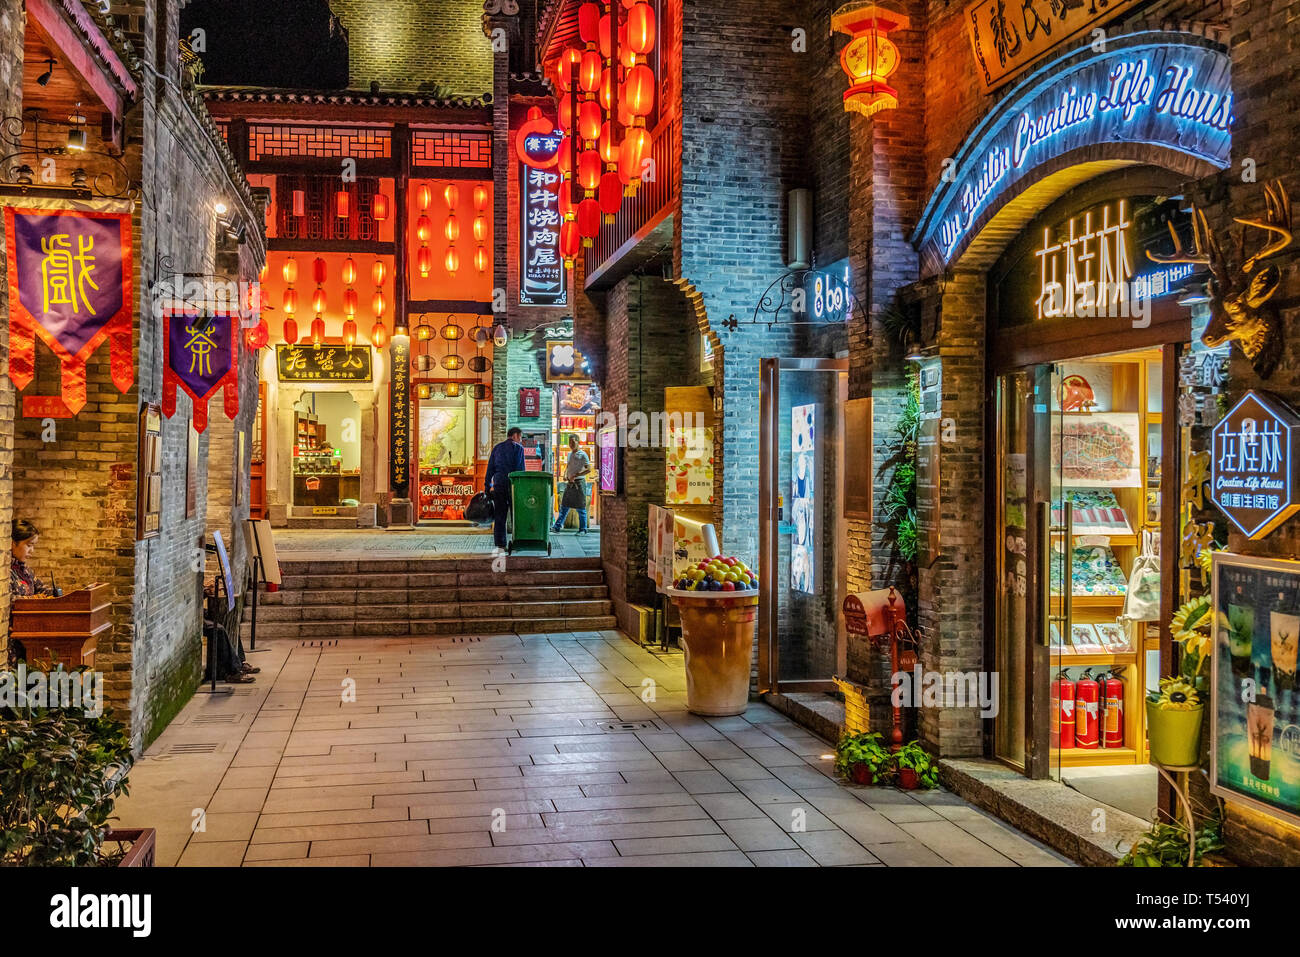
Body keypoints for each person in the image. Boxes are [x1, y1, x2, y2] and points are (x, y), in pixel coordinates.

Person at [8, 520, 51, 665]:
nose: (32, 550)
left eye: (33, 546)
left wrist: (66, 596)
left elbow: (41, 588)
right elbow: (9, 600)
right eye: (29, 545)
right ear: (13, 543)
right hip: (12, 640)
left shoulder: (23, 570)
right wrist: (33, 598)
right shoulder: (5, 572)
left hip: (28, 637)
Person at [485, 427, 526, 549]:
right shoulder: (518, 448)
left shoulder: (497, 448)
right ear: (514, 436)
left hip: (499, 486)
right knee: (516, 515)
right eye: (520, 437)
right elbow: (520, 469)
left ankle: (500, 543)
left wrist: (487, 487)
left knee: (500, 516)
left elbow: (490, 469)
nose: (520, 439)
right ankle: (517, 541)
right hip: (514, 486)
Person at [553, 435, 592, 534]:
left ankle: (583, 529)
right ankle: (557, 526)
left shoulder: (583, 455)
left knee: (581, 507)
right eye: (570, 442)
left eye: (573, 442)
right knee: (564, 506)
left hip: (579, 484)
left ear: (578, 442)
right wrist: (566, 474)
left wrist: (577, 475)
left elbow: (588, 469)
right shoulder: (569, 454)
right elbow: (568, 466)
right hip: (570, 483)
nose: (571, 444)